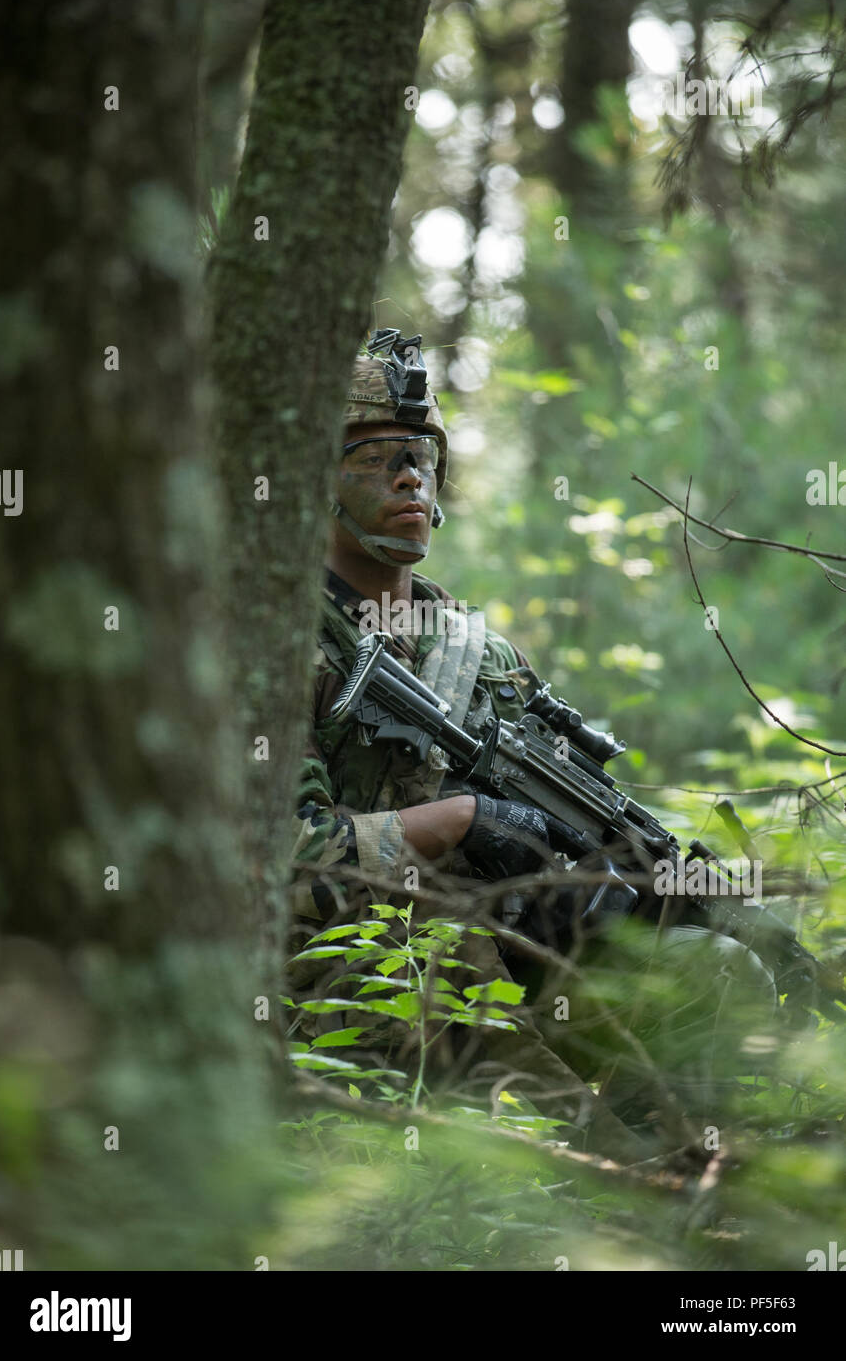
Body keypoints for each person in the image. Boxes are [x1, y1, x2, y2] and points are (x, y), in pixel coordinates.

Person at [287, 330, 777, 1160]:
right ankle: (610, 1186)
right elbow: (268, 865)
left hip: (517, 952)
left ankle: (679, 1156)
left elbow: (594, 819)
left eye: (421, 458)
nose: (409, 476)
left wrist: (658, 890)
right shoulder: (275, 645)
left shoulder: (486, 660)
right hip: (352, 973)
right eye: (374, 458)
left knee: (714, 968)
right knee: (450, 963)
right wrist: (456, 822)